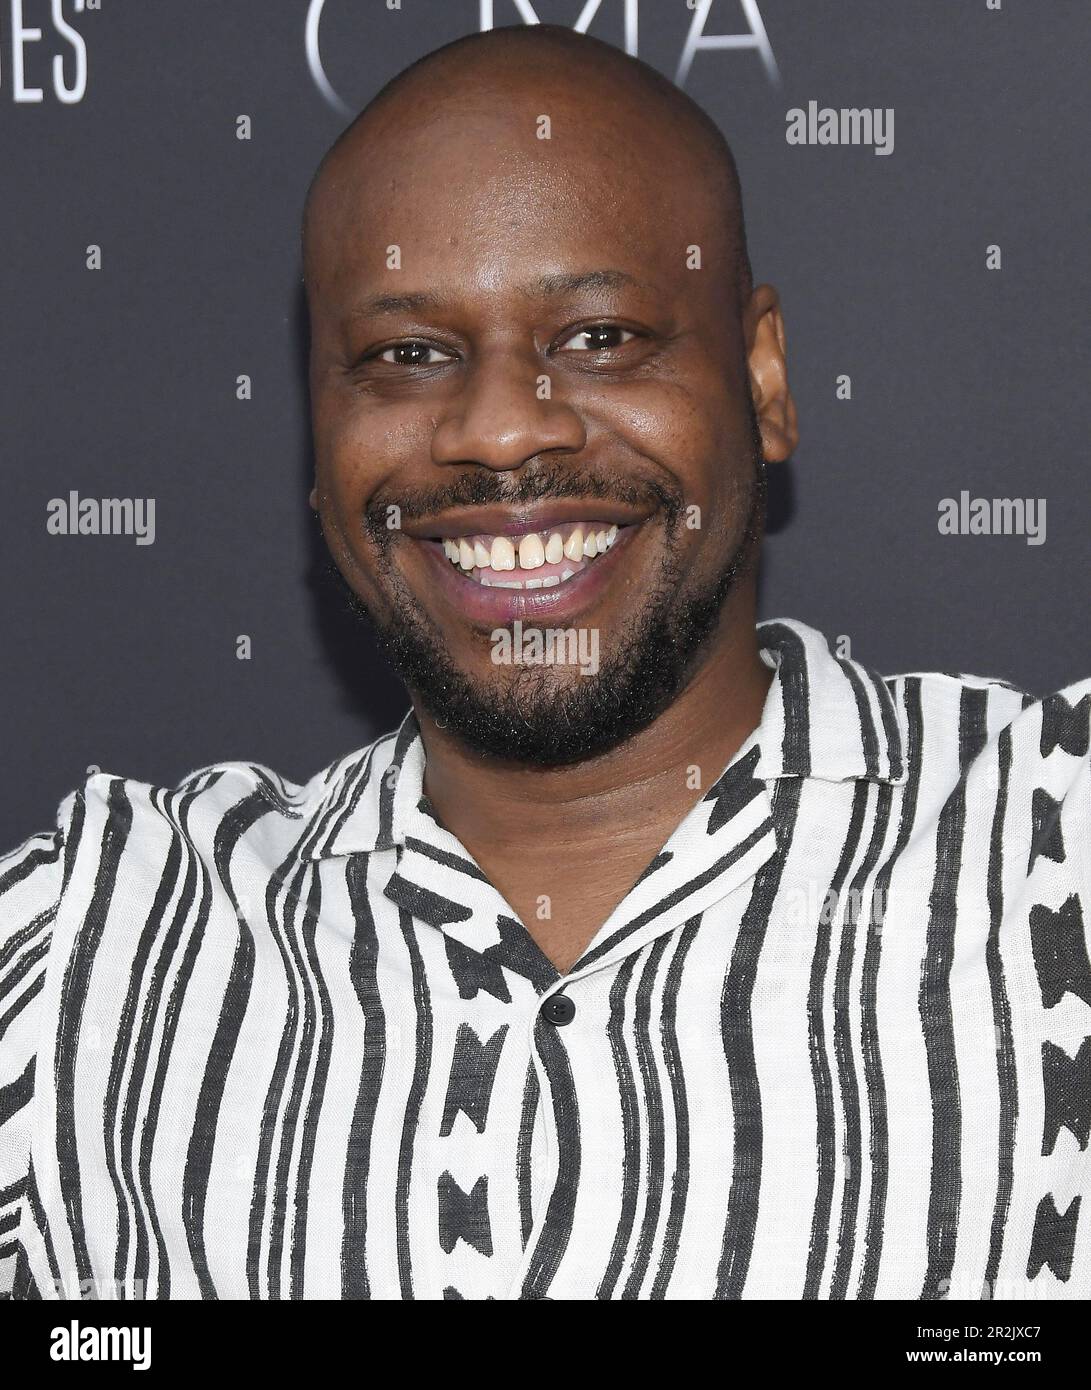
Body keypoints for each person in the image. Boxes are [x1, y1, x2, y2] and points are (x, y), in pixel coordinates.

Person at [1, 25, 1088, 1302]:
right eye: (407, 355)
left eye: (600, 336)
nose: (502, 425)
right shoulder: (89, 943)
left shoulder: (1053, 845)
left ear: (762, 378)